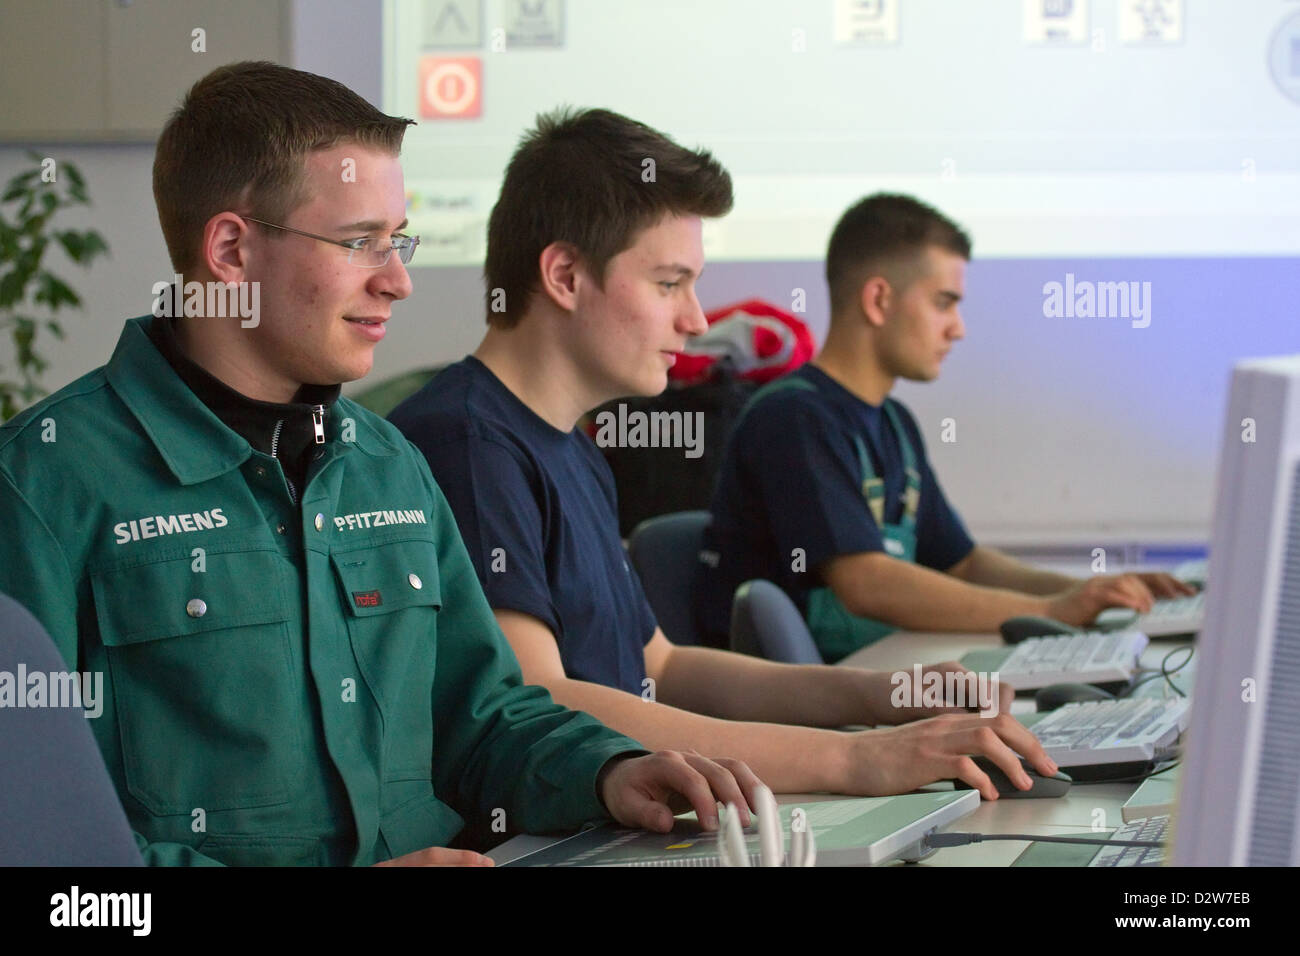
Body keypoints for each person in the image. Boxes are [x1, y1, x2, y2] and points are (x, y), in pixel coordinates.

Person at [0, 63, 761, 867]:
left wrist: (607, 769)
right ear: (230, 249)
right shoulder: (44, 486)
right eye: (361, 242)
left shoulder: (386, 461)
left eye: (398, 241)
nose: (396, 280)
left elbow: (482, 717)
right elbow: (49, 859)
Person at [390, 108, 1056, 802]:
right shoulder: (466, 447)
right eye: (669, 283)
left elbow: (665, 665)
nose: (698, 319)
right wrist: (855, 761)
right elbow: (545, 701)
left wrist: (882, 695)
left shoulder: (574, 447)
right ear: (563, 276)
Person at [696, 193, 1195, 661]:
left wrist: (1086, 591)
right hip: (805, 712)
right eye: (943, 302)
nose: (958, 327)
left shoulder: (894, 422)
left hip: (872, 674)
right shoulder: (793, 419)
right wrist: (1048, 613)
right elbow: (866, 581)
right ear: (878, 300)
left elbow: (964, 563)